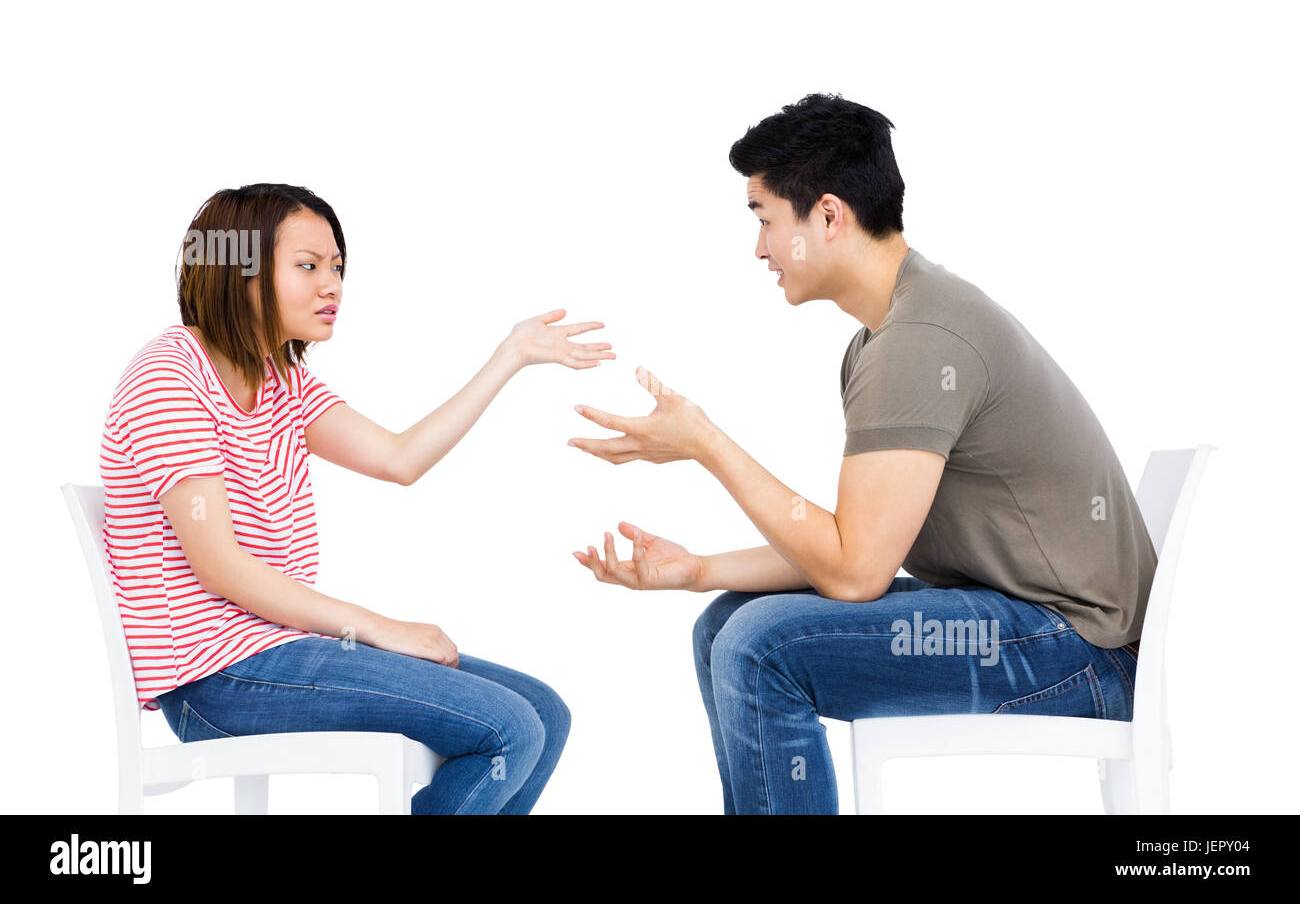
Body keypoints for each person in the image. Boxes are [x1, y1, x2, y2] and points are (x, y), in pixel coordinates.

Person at [568, 93, 1154, 814]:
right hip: (1028, 624)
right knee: (723, 623)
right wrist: (699, 571)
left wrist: (705, 444)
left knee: (760, 646)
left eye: (764, 220)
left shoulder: (922, 340)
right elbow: (858, 542)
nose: (758, 249)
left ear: (829, 216)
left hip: (1077, 651)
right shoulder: (885, 337)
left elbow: (854, 571)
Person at [99, 183, 611, 813]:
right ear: (242, 271)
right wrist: (379, 629)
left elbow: (400, 458)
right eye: (308, 266)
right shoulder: (170, 375)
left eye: (337, 267)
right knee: (508, 727)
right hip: (215, 682)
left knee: (543, 715)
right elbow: (221, 566)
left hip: (280, 649)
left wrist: (509, 356)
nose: (332, 285)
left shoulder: (284, 381)